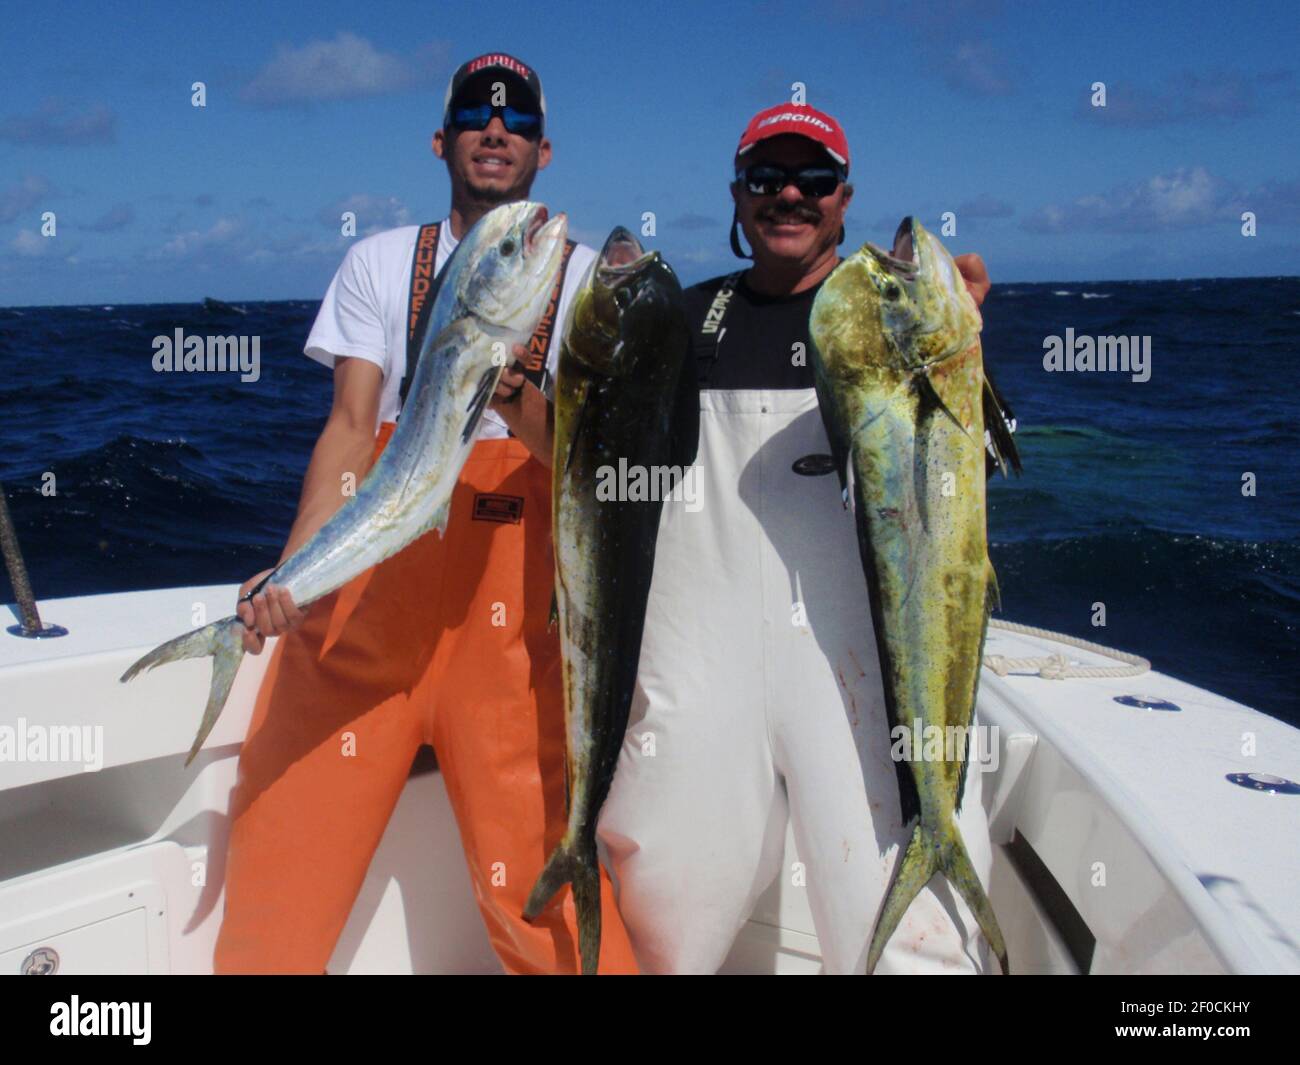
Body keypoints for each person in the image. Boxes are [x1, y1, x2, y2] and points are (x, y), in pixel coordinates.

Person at [213, 53, 637, 975]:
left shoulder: (586, 284)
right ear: (442, 140)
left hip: (514, 625)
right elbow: (351, 430)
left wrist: (520, 394)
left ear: (543, 149)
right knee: (278, 865)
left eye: (517, 120)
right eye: (478, 118)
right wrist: (287, 573)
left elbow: (596, 467)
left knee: (546, 896)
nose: (497, 131)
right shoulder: (376, 262)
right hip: (370, 597)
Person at [597, 103, 998, 974]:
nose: (789, 194)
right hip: (695, 654)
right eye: (766, 177)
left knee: (911, 930)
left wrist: (958, 351)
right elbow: (598, 470)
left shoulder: (894, 320)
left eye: (813, 179)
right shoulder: (677, 320)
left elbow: (960, 484)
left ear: (844, 198)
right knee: (661, 898)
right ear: (736, 197)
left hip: (853, 660)